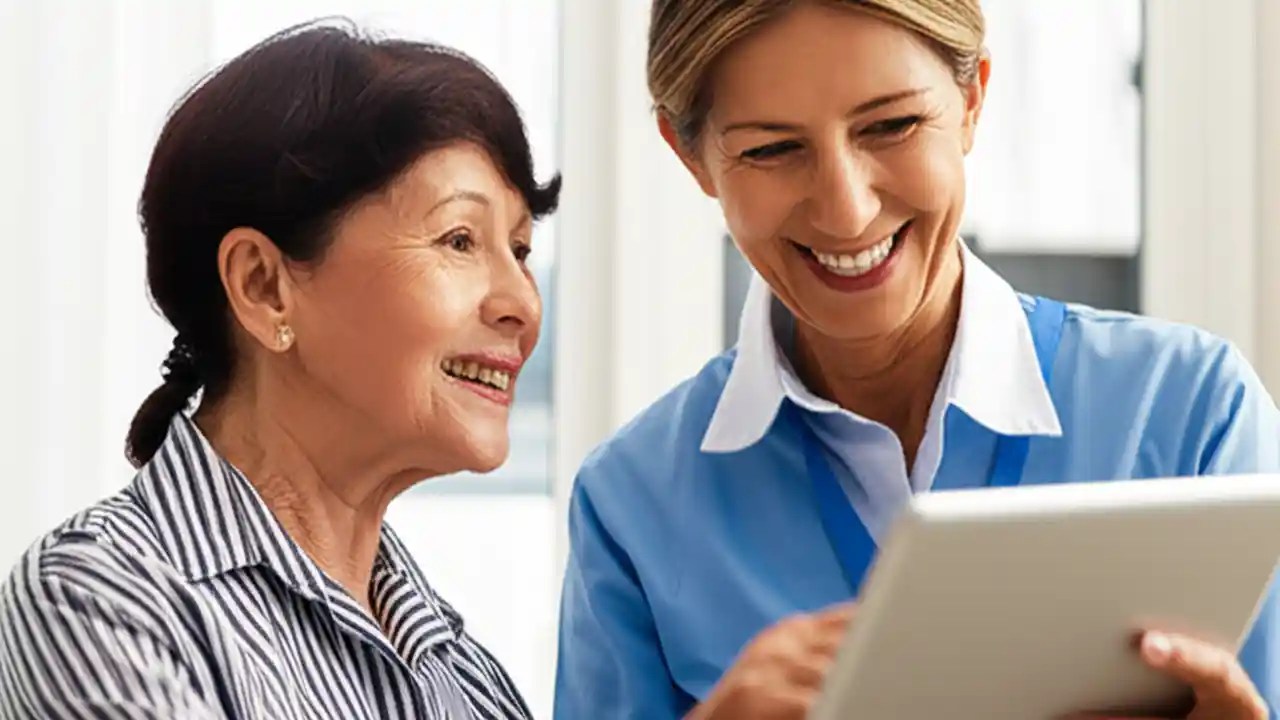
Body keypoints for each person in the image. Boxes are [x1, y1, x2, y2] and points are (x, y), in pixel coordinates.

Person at [554, 1, 1280, 719]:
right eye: (773, 149)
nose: (846, 210)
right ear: (692, 157)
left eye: (892, 125)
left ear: (972, 99)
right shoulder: (632, 506)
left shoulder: (1192, 417)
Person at [0, 23, 558, 719]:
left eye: (520, 249)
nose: (521, 304)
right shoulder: (97, 596)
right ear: (263, 286)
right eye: (459, 240)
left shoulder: (464, 673)